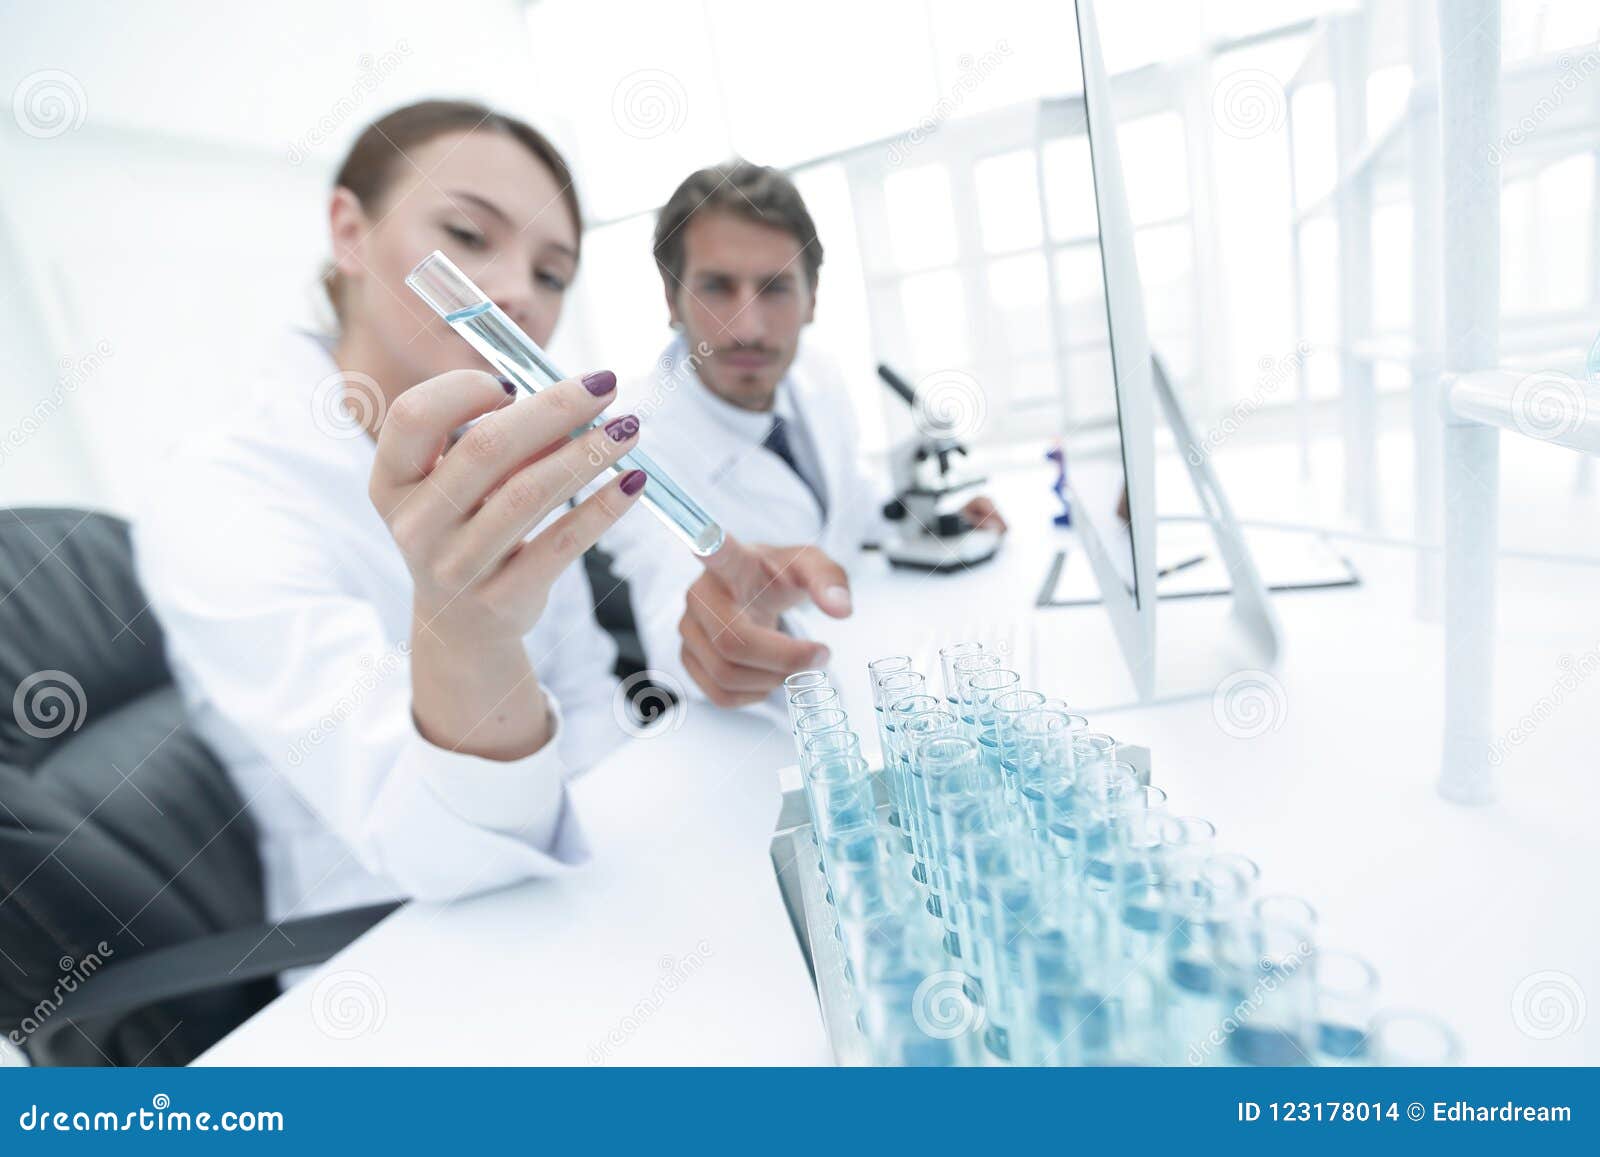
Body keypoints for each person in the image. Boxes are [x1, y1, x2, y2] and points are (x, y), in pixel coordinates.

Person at [131, 102, 840, 921]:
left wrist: (663, 854)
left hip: (581, 885)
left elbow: (583, 701)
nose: (513, 294)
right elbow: (428, 839)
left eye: (550, 273)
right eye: (469, 236)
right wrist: (464, 629)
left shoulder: (505, 458)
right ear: (349, 232)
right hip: (395, 943)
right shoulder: (221, 496)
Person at [598, 161, 1007, 709]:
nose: (746, 327)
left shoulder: (820, 376)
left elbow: (850, 504)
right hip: (764, 722)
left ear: (812, 299)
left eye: (775, 288)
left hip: (866, 667)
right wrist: (710, 643)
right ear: (671, 301)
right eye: (717, 287)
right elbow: (670, 606)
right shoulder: (628, 437)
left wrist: (930, 519)